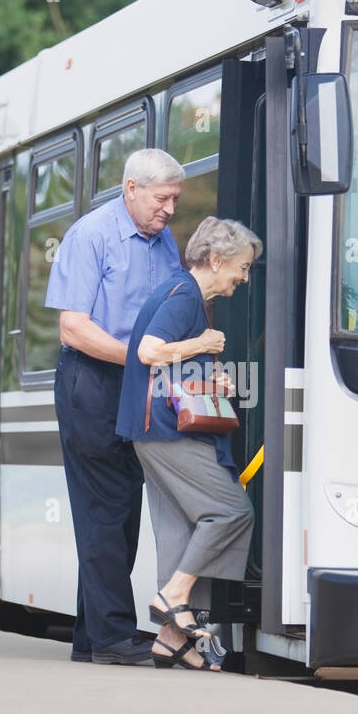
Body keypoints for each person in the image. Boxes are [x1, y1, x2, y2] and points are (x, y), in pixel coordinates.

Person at [46, 149, 185, 664]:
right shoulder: (91, 235)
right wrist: (139, 358)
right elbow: (73, 327)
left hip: (136, 381)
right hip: (92, 381)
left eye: (175, 199)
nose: (170, 209)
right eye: (162, 198)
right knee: (104, 508)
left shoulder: (164, 240)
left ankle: (92, 637)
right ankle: (113, 637)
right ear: (131, 188)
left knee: (121, 509)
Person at [116, 216, 263, 671]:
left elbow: (169, 367)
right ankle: (174, 595)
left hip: (154, 430)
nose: (244, 277)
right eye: (242, 267)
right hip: (167, 431)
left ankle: (170, 639)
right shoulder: (184, 295)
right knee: (231, 511)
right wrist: (202, 344)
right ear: (216, 260)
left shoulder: (186, 296)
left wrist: (212, 380)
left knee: (179, 530)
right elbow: (149, 351)